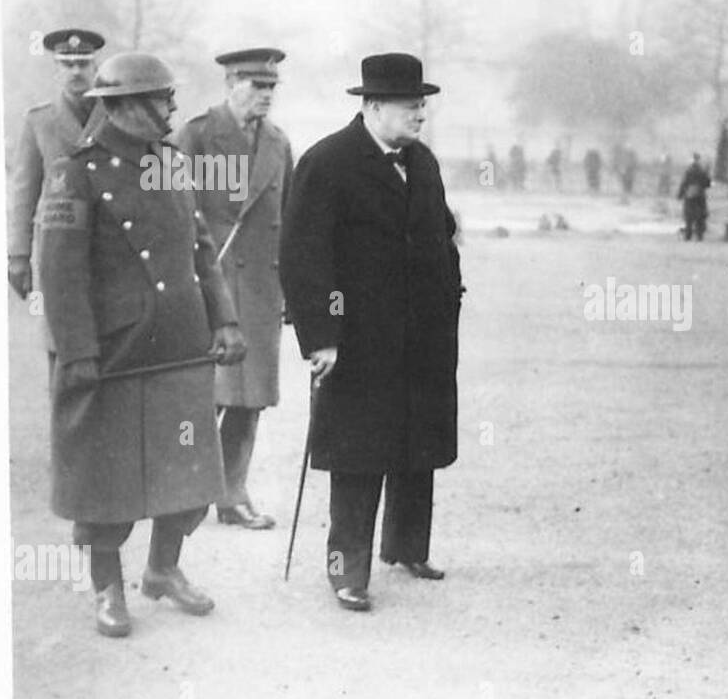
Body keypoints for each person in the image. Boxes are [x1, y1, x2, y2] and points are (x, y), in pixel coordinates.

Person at [37, 52, 246, 637]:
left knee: (189, 472)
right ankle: (108, 589)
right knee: (105, 485)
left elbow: (201, 247)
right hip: (114, 355)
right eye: (162, 99)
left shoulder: (170, 163)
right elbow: (60, 274)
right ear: (124, 106)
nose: (172, 109)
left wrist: (225, 320)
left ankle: (163, 570)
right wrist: (78, 354)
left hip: (178, 348)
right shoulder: (73, 172)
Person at [280, 53, 462, 613]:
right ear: (373, 106)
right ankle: (346, 572)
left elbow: (442, 233)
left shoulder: (422, 163)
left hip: (423, 338)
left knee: (418, 445)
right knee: (359, 456)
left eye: (423, 106)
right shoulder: (328, 162)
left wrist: (450, 295)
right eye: (411, 107)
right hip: (358, 341)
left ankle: (408, 547)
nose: (421, 116)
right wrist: (322, 336)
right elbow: (303, 256)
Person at [171, 48, 295, 531]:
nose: (266, 95)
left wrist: (292, 290)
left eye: (271, 88)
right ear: (230, 83)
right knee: (204, 394)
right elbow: (169, 210)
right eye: (256, 86)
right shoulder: (196, 135)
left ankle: (233, 493)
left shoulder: (280, 144)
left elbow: (291, 219)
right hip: (209, 282)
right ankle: (185, 490)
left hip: (263, 287)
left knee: (253, 397)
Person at [7, 28, 106, 301]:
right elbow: (24, 193)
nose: (76, 71)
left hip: (113, 241)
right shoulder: (39, 121)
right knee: (62, 328)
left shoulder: (117, 115)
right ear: (56, 70)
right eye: (67, 64)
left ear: (95, 67)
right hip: (60, 240)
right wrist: (18, 255)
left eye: (83, 63)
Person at [676, 152, 711, 240]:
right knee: (701, 216)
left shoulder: (688, 171)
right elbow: (707, 184)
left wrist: (680, 194)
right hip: (700, 195)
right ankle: (699, 235)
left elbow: (684, 183)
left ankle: (688, 235)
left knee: (688, 216)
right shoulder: (702, 171)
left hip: (689, 195)